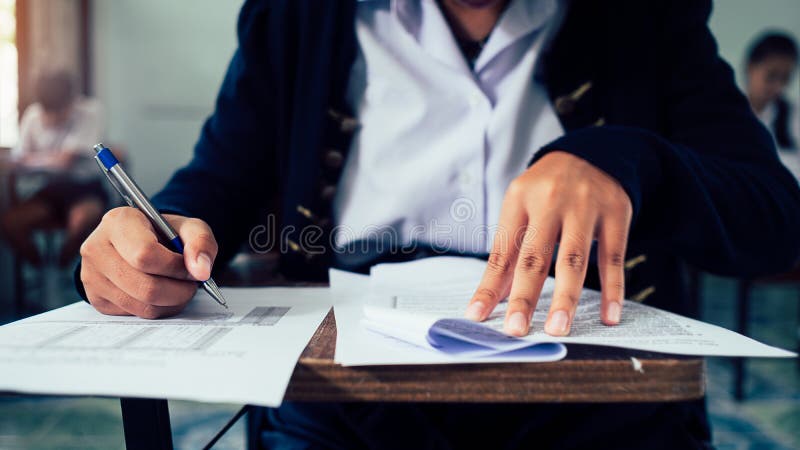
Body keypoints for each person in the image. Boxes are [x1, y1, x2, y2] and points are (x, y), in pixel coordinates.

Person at [76, 0, 800, 448]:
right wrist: (156, 234)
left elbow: (775, 217)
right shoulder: (296, 15)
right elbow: (216, 184)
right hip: (344, 397)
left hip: (595, 391)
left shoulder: (648, 15)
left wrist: (629, 162)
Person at [1, 69, 107, 267]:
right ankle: (43, 271)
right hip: (50, 190)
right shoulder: (34, 114)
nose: (53, 117)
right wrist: (48, 159)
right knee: (11, 223)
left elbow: (65, 160)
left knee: (80, 222)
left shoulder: (90, 110)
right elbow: (18, 157)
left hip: (86, 188)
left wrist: (33, 159)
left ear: (71, 100)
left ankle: (63, 271)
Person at [745, 31, 799, 150]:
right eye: (771, 76)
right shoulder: (724, 110)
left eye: (785, 78)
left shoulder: (793, 116)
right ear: (750, 67)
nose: (778, 86)